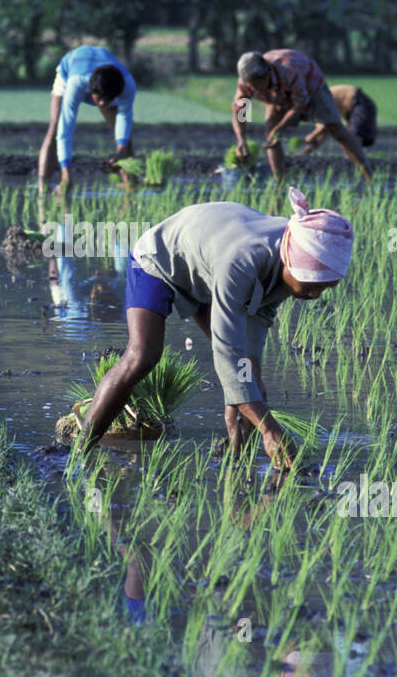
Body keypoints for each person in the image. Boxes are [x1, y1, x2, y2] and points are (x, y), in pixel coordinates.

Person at [77, 188, 354, 473]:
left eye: (323, 287)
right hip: (162, 258)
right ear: (290, 260)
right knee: (142, 356)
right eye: (310, 285)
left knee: (250, 379)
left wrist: (252, 376)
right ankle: (80, 451)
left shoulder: (290, 258)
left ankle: (237, 462)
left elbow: (258, 320)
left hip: (209, 273)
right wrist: (269, 429)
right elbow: (225, 351)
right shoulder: (243, 260)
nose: (315, 295)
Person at [230, 50, 372, 183]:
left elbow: (299, 105)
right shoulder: (245, 83)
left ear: (267, 73)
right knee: (271, 136)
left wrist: (280, 128)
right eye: (252, 86)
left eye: (259, 85)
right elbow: (241, 112)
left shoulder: (289, 70)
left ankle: (369, 176)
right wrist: (241, 140)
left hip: (312, 88)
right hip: (277, 95)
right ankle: (280, 183)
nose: (256, 90)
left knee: (337, 130)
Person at [38, 45, 136, 196]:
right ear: (92, 92)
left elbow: (124, 118)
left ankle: (131, 185)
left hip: (105, 80)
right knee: (55, 127)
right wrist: (66, 175)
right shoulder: (75, 84)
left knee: (123, 138)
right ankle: (42, 188)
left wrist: (121, 150)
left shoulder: (127, 85)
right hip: (71, 71)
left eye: (108, 100)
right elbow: (65, 131)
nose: (102, 104)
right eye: (99, 99)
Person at [299, 84, 378, 154]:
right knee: (349, 139)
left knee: (353, 137)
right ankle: (355, 161)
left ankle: (359, 163)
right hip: (352, 110)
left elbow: (327, 124)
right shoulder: (319, 114)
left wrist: (311, 136)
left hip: (358, 102)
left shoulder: (320, 100)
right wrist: (305, 152)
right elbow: (322, 134)